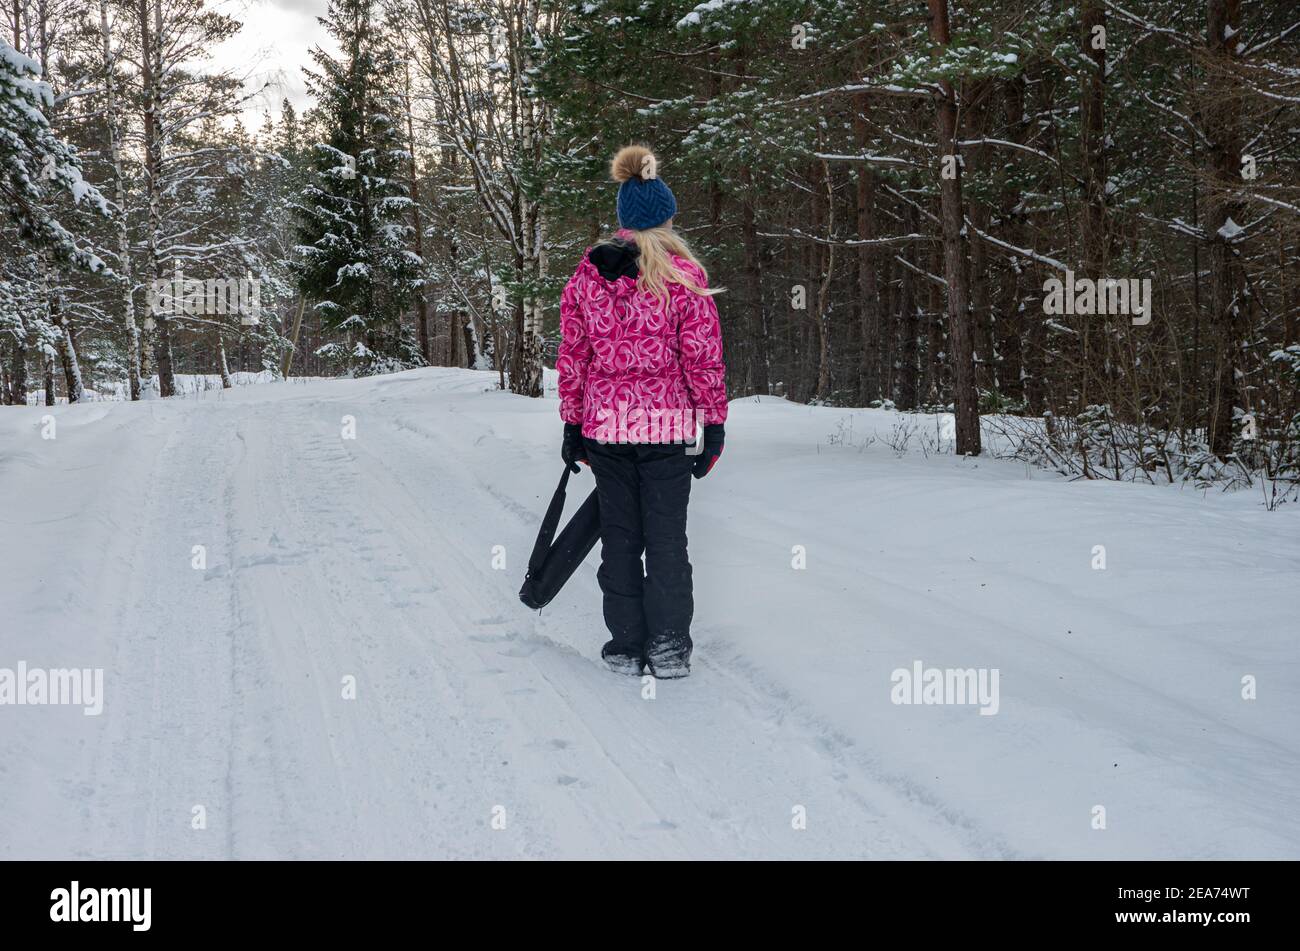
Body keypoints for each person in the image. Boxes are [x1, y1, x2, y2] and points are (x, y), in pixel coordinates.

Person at [556, 145, 727, 679]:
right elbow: (703, 356)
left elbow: (574, 355)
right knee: (667, 540)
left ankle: (627, 646)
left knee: (621, 540)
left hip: (606, 431)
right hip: (666, 432)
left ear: (624, 220)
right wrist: (714, 423)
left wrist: (572, 422)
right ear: (667, 218)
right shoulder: (683, 279)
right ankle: (670, 646)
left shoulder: (587, 278)